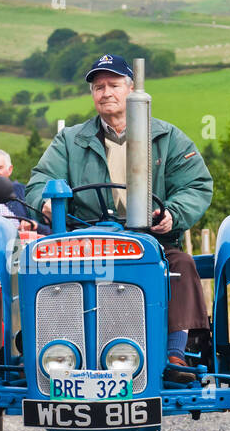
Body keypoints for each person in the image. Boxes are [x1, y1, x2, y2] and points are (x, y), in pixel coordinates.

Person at [25, 53, 212, 383]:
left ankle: (174, 353)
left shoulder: (167, 138)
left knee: (180, 263)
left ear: (131, 90)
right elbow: (40, 180)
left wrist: (172, 215)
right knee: (41, 269)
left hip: (149, 241)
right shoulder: (70, 140)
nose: (105, 92)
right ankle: (56, 354)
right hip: (82, 242)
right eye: (98, 87)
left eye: (113, 85)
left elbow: (196, 185)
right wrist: (47, 202)